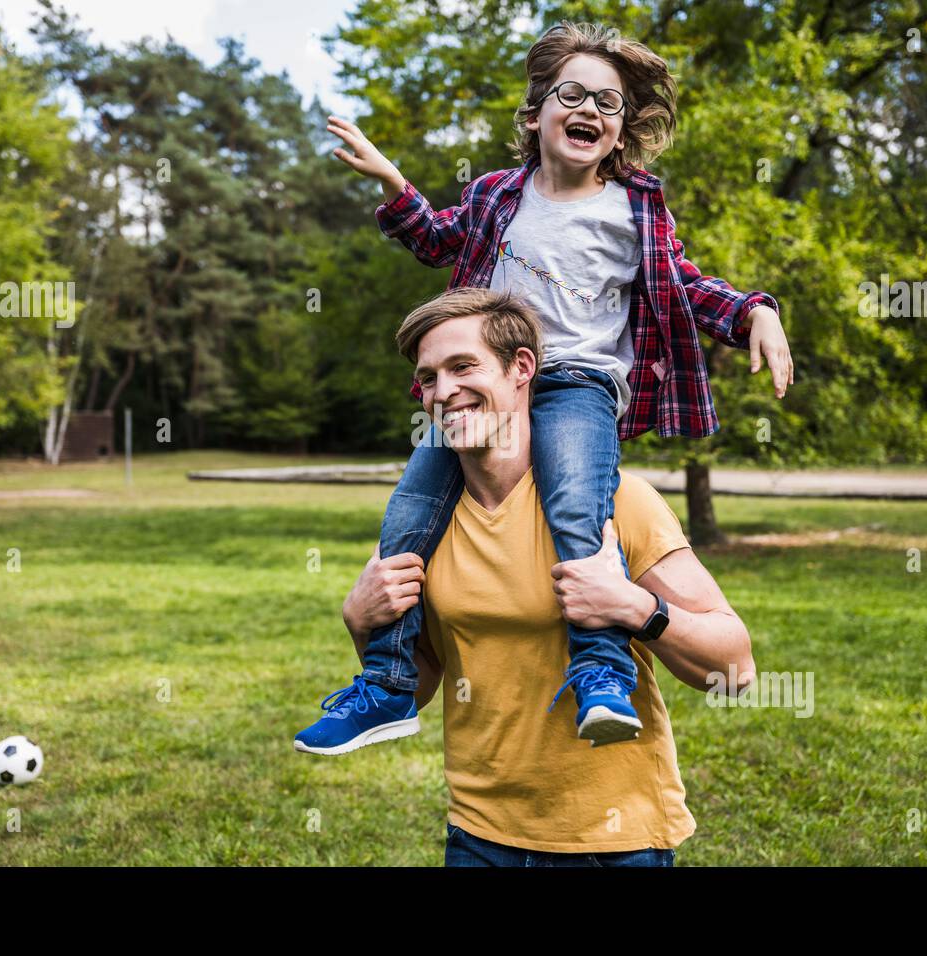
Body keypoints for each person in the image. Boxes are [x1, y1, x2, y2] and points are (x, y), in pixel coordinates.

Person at [295, 20, 788, 754]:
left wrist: (754, 310)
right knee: (408, 511)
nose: (590, 108)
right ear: (535, 116)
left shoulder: (635, 209)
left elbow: (684, 284)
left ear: (619, 133)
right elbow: (435, 239)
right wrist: (396, 184)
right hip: (492, 382)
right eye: (572, 93)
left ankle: (600, 674)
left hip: (580, 384)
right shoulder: (500, 194)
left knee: (575, 506)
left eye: (609, 102)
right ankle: (388, 686)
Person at [333, 291, 757, 864]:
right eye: (428, 378)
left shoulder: (618, 506)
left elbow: (734, 671)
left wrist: (635, 609)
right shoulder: (425, 524)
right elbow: (424, 686)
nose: (443, 392)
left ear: (521, 369)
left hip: (615, 840)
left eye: (463, 367)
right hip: (479, 836)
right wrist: (362, 624)